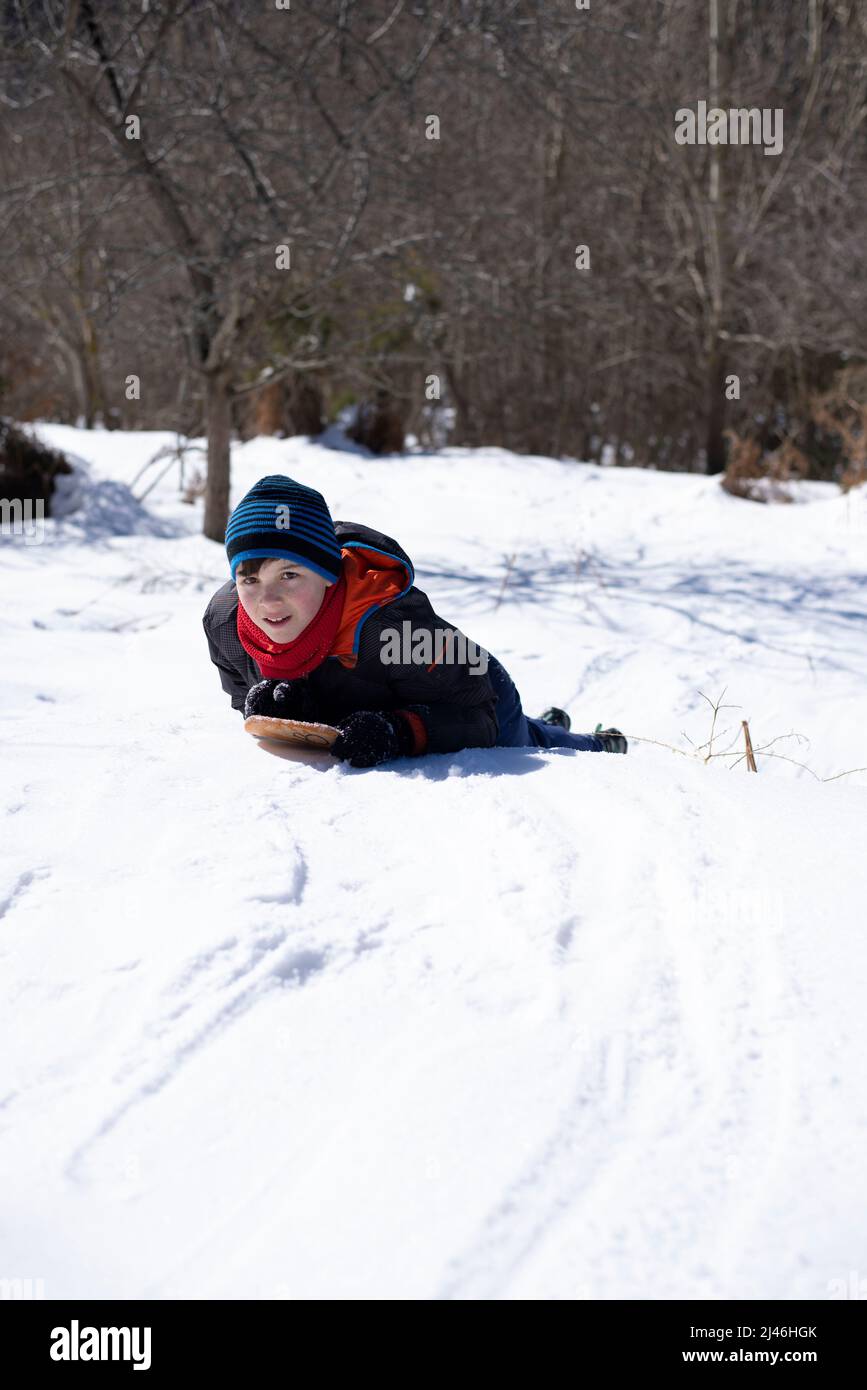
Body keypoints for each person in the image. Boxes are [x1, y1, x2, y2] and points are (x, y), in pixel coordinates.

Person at [202, 474, 628, 768]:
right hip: (416, 688)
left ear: (328, 576)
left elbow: (479, 715)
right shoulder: (226, 625)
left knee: (524, 740)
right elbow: (251, 705)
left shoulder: (395, 628)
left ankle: (594, 742)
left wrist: (399, 732)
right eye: (250, 577)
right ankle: (552, 719)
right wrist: (285, 705)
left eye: (290, 574)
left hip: (473, 681)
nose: (267, 599)